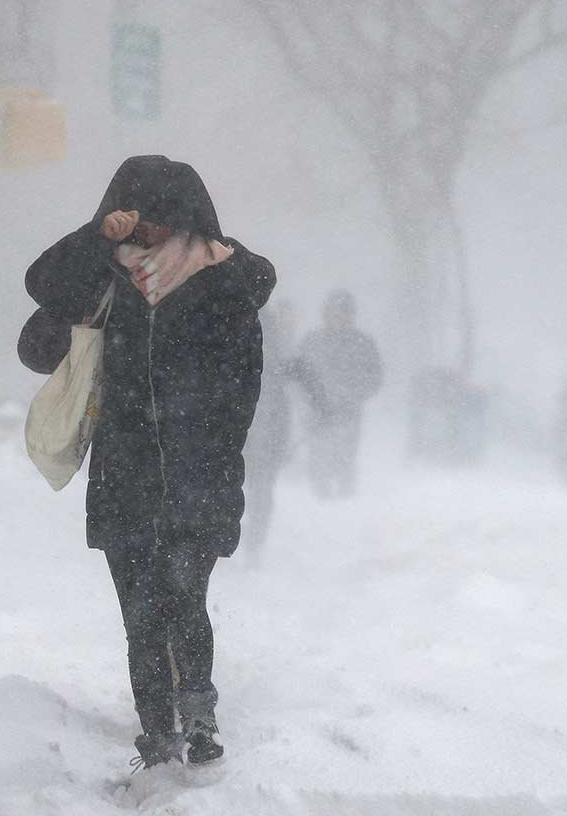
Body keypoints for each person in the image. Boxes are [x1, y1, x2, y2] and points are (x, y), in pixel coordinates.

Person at [23, 155, 275, 770]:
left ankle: (200, 713)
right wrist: (95, 236)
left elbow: (245, 378)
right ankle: (157, 731)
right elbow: (43, 289)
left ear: (183, 217)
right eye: (132, 216)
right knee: (139, 608)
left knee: (185, 596)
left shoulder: (222, 279)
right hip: (125, 471)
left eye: (154, 218)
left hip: (200, 471)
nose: (142, 230)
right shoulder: (107, 276)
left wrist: (213, 440)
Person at [242, 300, 327, 565]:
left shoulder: (268, 355)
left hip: (254, 426)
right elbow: (298, 369)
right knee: (257, 488)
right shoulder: (269, 349)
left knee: (255, 487)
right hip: (254, 426)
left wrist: (319, 401)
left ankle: (246, 546)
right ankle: (246, 546)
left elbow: (296, 368)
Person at [299, 289, 383, 498]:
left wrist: (352, 395)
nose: (341, 317)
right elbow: (298, 376)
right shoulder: (313, 341)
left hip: (348, 414)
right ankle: (321, 503)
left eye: (346, 312)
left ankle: (346, 506)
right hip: (318, 414)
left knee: (345, 459)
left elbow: (375, 378)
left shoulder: (363, 343)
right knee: (319, 459)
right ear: (327, 314)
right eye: (337, 312)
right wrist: (311, 401)